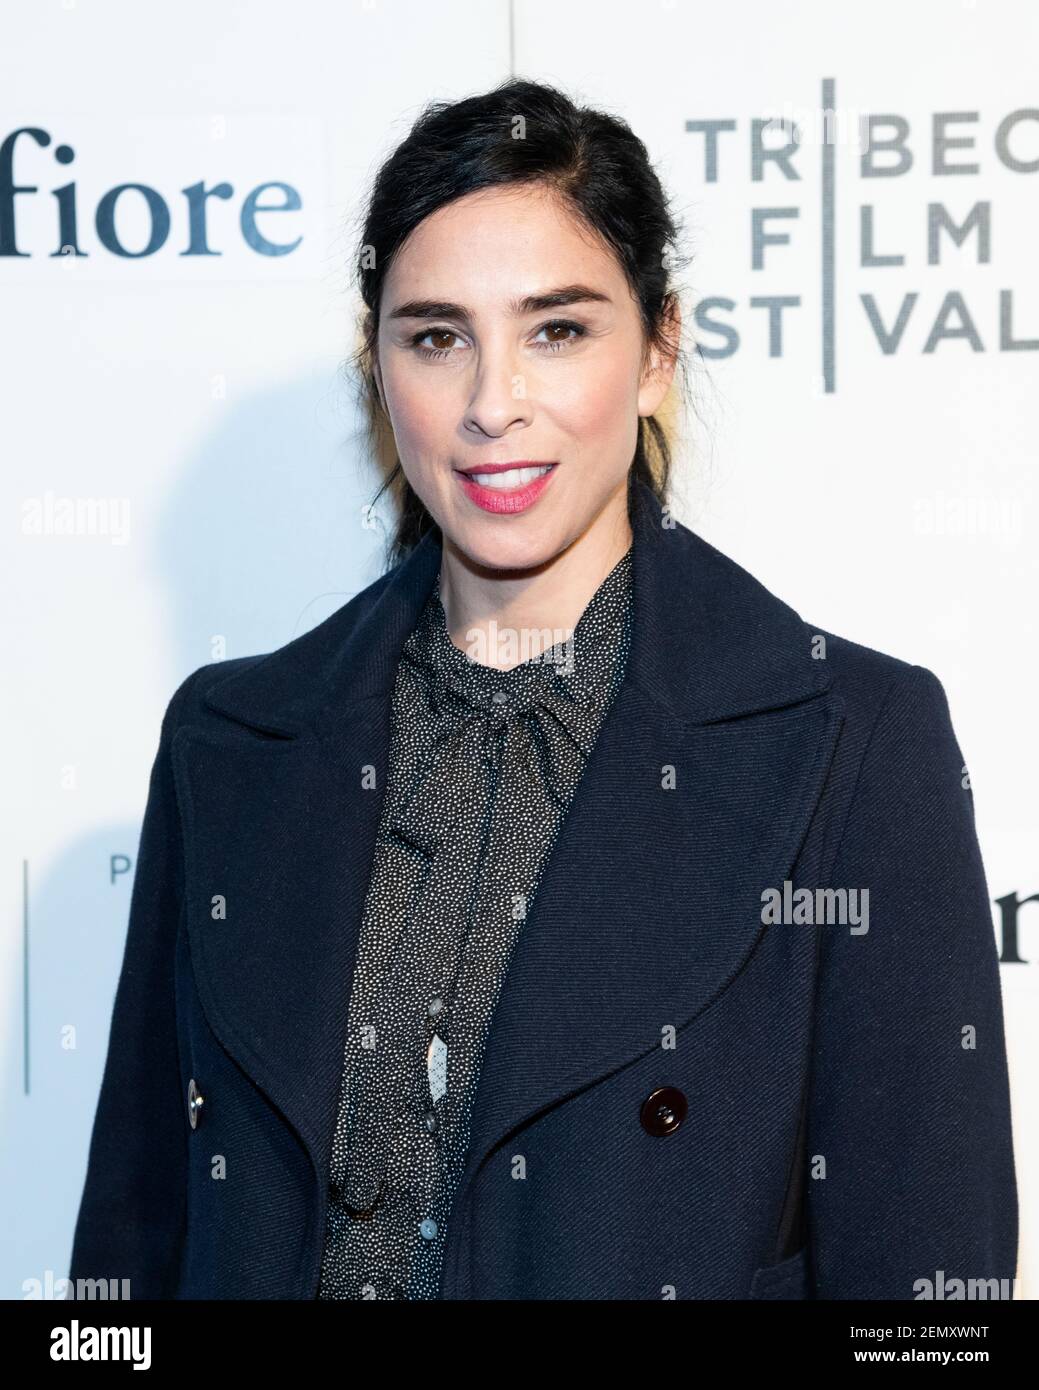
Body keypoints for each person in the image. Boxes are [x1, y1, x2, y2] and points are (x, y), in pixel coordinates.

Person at [68, 77, 1017, 1301]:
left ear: (659, 350)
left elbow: (924, 1292)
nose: (491, 403)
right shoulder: (229, 744)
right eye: (436, 336)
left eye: (556, 329)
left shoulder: (851, 742)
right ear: (380, 369)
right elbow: (128, 1257)